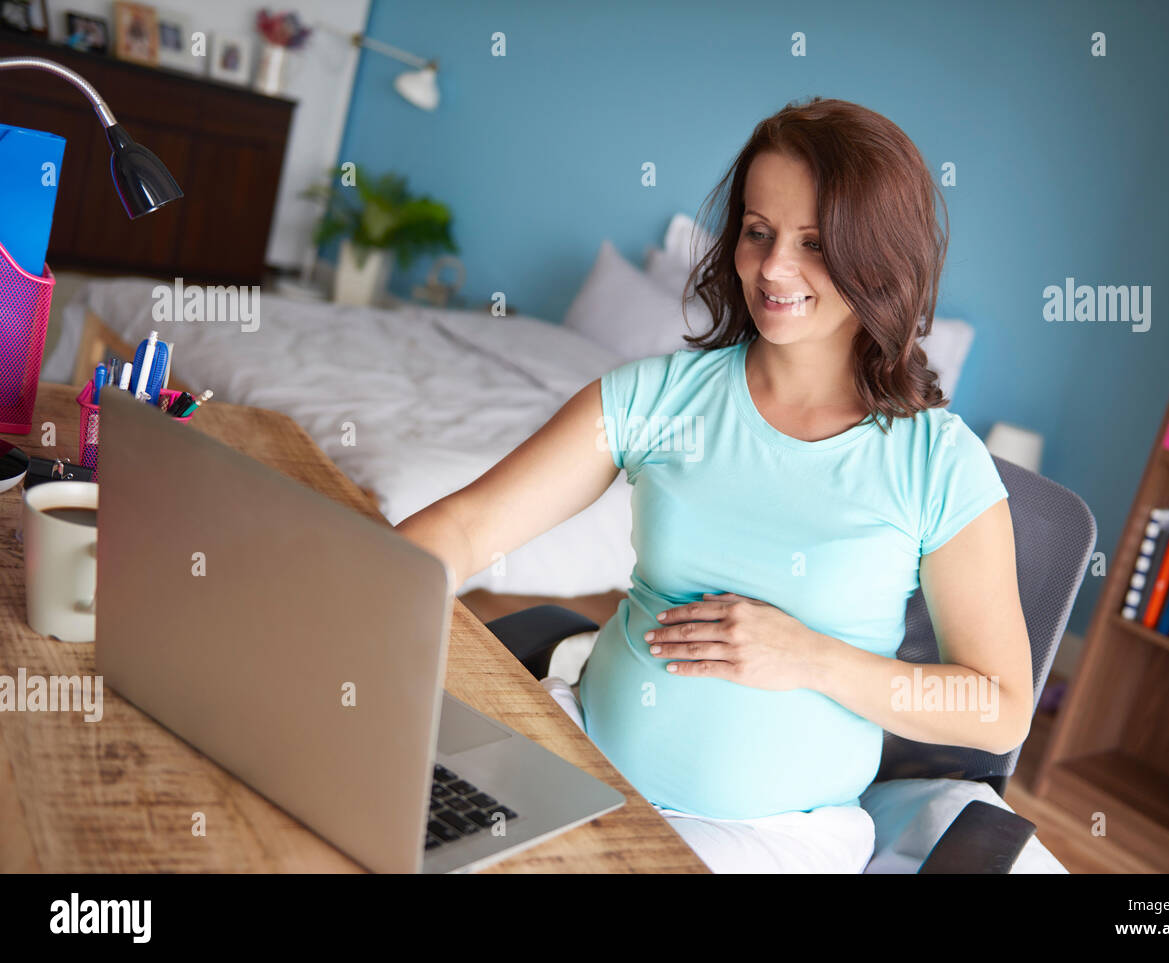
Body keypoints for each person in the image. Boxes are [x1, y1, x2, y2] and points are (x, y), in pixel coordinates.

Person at [396, 96, 1033, 874]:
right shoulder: (657, 395)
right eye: (758, 233)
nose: (773, 268)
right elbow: (466, 526)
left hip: (772, 838)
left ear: (880, 258)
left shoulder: (939, 463)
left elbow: (998, 706)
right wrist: (364, 589)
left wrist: (810, 658)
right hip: (583, 762)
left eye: (814, 243)